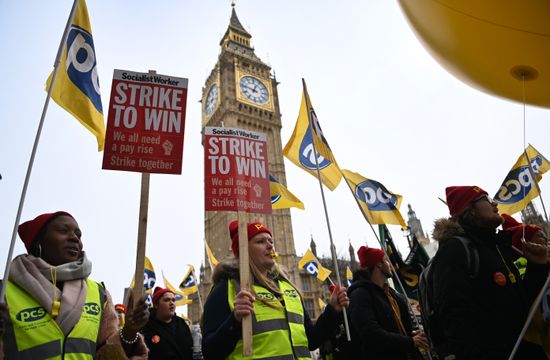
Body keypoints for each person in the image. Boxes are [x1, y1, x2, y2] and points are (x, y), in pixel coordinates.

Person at [0, 211, 149, 359]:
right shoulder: (4, 291)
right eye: (63, 231)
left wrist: (129, 330)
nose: (74, 238)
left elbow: (106, 356)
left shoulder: (99, 294)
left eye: (78, 234)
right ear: (38, 242)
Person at [202, 220, 349, 359]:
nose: (270, 245)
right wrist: (234, 321)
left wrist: (332, 310)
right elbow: (210, 352)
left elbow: (311, 340)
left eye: (271, 241)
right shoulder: (226, 289)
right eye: (260, 241)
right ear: (243, 250)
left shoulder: (288, 289)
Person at [431, 186, 549, 359]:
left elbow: (523, 305)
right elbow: (454, 319)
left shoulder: (496, 247)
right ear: (469, 209)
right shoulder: (455, 250)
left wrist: (537, 266)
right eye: (485, 199)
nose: (494, 203)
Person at [347, 245, 428, 359]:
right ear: (378, 264)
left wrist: (410, 334)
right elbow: (371, 334)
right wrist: (409, 342)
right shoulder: (360, 295)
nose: (389, 264)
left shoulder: (391, 294)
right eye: (386, 260)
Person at [142, 286, 193, 359]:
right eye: (167, 300)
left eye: (173, 300)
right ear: (156, 305)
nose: (171, 303)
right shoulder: (146, 326)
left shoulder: (182, 324)